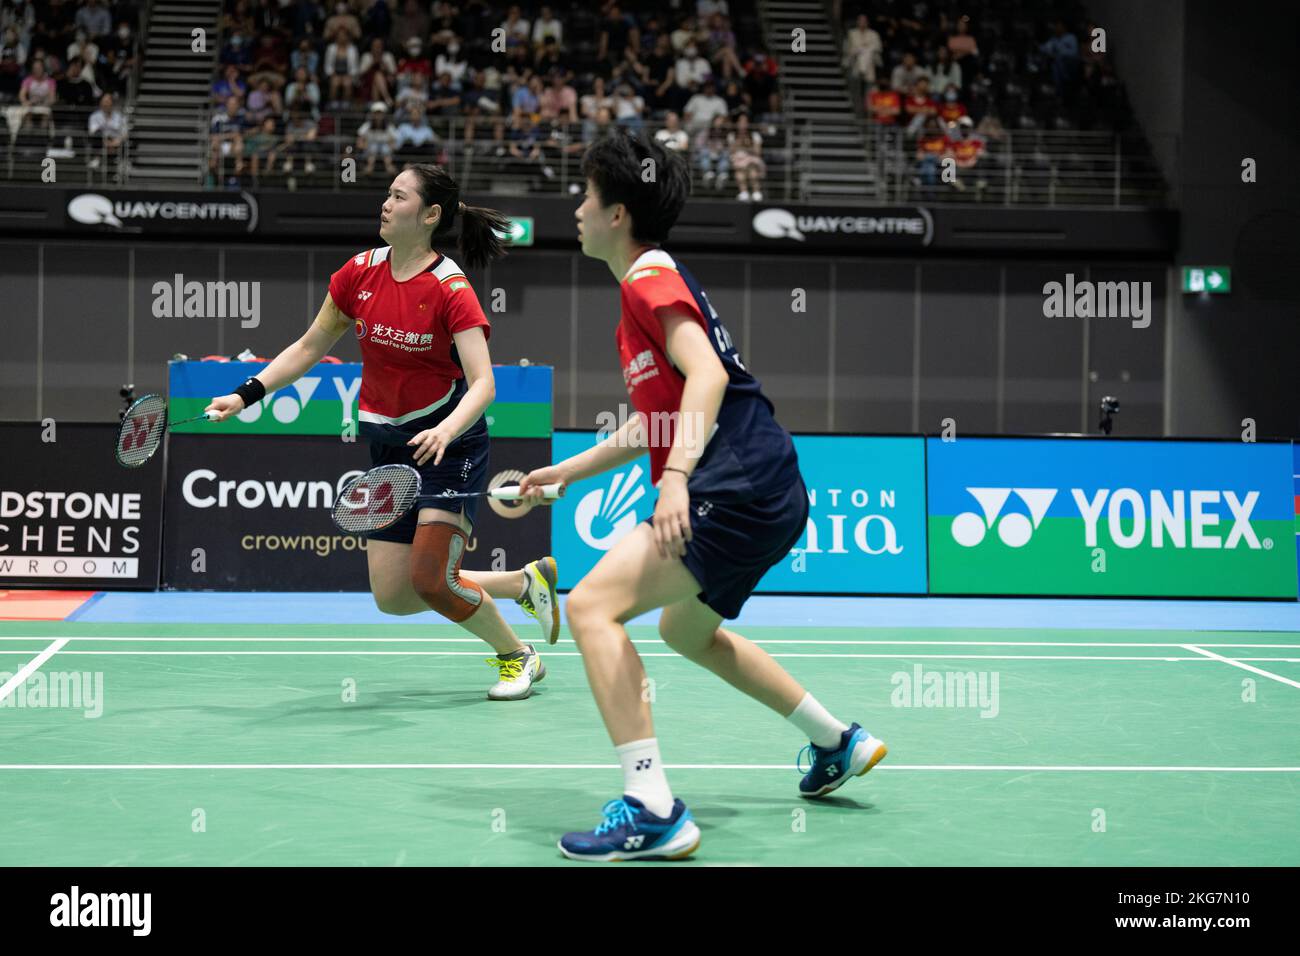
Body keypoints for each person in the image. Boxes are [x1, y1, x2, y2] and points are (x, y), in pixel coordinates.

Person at [518, 132, 888, 861]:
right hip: (770, 488)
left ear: (618, 212)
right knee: (685, 631)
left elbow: (709, 376)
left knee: (592, 607)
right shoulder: (652, 282)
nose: (577, 208)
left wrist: (678, 479)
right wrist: (567, 473)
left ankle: (651, 807)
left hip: (735, 487)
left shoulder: (648, 277)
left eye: (587, 196)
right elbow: (654, 419)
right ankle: (836, 740)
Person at [204, 165, 560, 701]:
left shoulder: (450, 289)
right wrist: (245, 392)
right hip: (391, 446)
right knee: (393, 595)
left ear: (430, 215)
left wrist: (445, 429)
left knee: (430, 579)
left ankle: (517, 657)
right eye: (387, 195)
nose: (385, 205)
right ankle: (521, 584)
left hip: (450, 442)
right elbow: (308, 346)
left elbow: (485, 384)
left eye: (399, 196)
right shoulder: (358, 273)